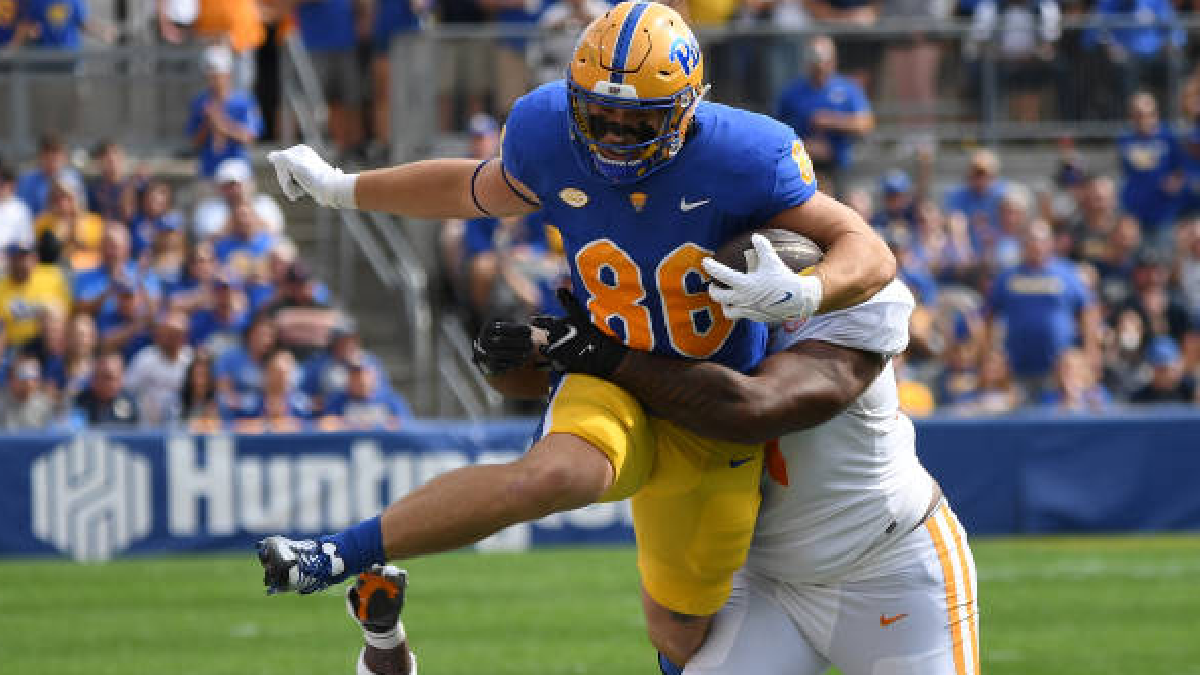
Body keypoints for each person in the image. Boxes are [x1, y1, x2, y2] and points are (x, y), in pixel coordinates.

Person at [260, 2, 895, 668]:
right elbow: (473, 188)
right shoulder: (547, 131)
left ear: (689, 108)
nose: (616, 136)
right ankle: (336, 553)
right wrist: (341, 188)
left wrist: (808, 291)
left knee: (679, 631)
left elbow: (867, 248)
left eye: (638, 122)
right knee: (558, 473)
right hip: (609, 366)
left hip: (709, 400)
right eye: (600, 116)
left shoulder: (747, 155)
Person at [384, 236, 977, 675]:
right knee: (676, 630)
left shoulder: (853, 317)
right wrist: (533, 351)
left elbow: (751, 405)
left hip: (885, 565)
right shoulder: (691, 324)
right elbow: (606, 374)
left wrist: (605, 355)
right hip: (767, 582)